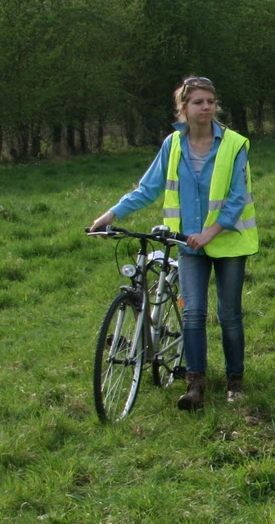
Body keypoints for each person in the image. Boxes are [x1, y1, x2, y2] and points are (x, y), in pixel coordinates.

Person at [90, 75, 257, 408]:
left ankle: (235, 380)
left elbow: (237, 198)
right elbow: (148, 188)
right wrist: (111, 214)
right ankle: (195, 382)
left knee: (229, 316)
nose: (206, 107)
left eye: (210, 101)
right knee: (193, 314)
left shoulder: (235, 144)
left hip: (229, 243)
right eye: (198, 102)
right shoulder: (173, 145)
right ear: (184, 107)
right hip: (187, 244)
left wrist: (209, 233)